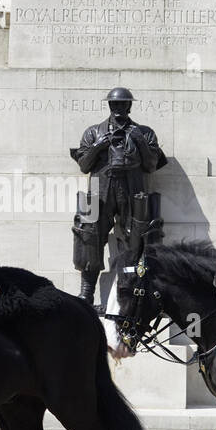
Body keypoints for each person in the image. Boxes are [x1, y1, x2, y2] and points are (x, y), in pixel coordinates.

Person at [70, 86, 167, 306]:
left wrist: (139, 140)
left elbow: (151, 166)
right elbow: (84, 165)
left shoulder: (145, 132)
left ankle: (128, 294)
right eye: (114, 104)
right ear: (109, 106)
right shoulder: (94, 131)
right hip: (100, 192)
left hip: (132, 192)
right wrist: (98, 145)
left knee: (134, 242)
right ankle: (86, 293)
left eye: (122, 104)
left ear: (129, 106)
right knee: (89, 239)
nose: (118, 109)